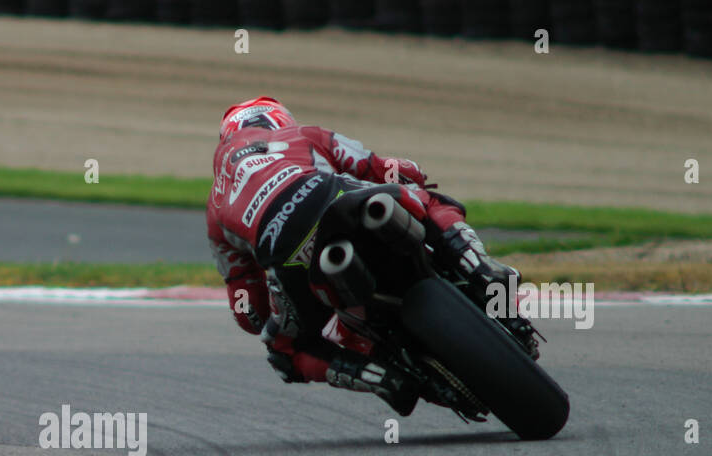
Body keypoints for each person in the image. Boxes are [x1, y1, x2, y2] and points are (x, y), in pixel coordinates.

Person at [207, 96, 533, 415]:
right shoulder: (303, 134)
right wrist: (414, 174)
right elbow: (383, 168)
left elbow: (247, 309)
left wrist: (271, 309)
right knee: (433, 203)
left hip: (286, 252)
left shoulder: (215, 206)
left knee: (285, 353)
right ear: (280, 120)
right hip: (337, 198)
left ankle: (379, 379)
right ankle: (481, 267)